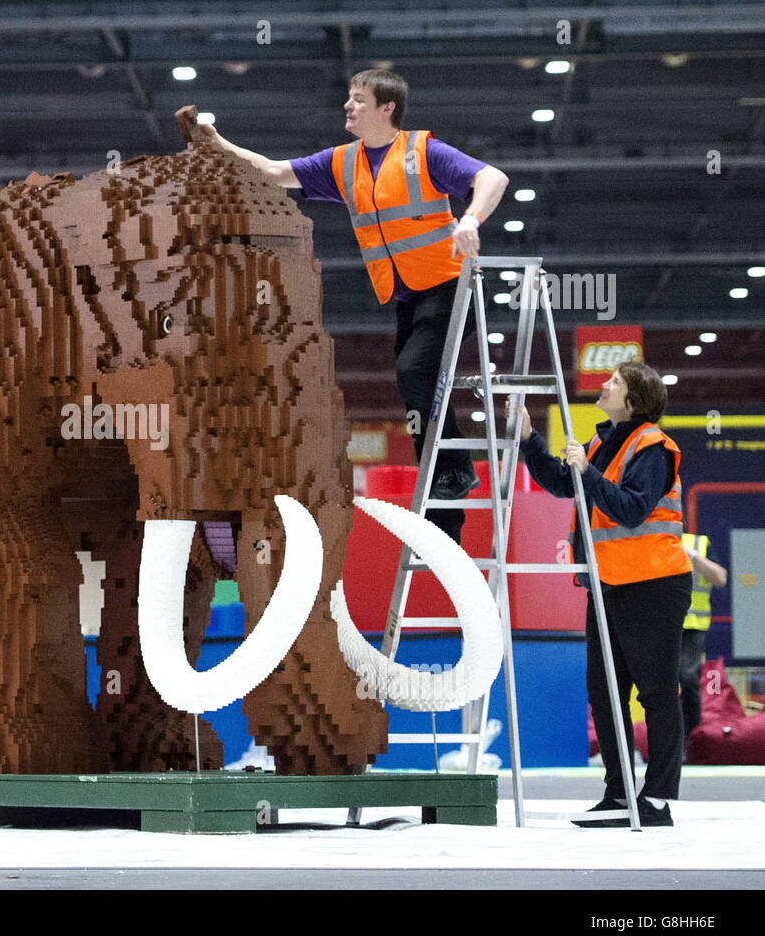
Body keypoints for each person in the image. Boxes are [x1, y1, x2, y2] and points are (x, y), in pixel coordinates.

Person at [199, 68, 509, 543]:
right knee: (418, 392)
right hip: (408, 295)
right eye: (348, 98)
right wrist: (220, 145)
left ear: (387, 108)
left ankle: (458, 470)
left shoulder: (423, 151)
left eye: (359, 100)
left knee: (414, 373)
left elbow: (493, 177)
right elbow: (274, 172)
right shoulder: (345, 163)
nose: (348, 106)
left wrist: (471, 217)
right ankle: (445, 519)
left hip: (453, 286)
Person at [511, 361, 692, 826]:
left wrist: (587, 472)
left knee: (654, 692)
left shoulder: (652, 445)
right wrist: (531, 439)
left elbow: (631, 509)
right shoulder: (601, 442)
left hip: (653, 583)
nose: (604, 384)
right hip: (609, 584)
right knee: (605, 691)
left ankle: (656, 798)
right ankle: (618, 791)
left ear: (633, 399)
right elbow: (558, 481)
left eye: (614, 381)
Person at [679, 530, 728, 740]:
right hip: (657, 625)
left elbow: (720, 578)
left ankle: (689, 739)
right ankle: (666, 744)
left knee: (688, 680)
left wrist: (693, 556)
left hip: (691, 625)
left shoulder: (697, 543)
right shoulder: (648, 539)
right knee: (658, 685)